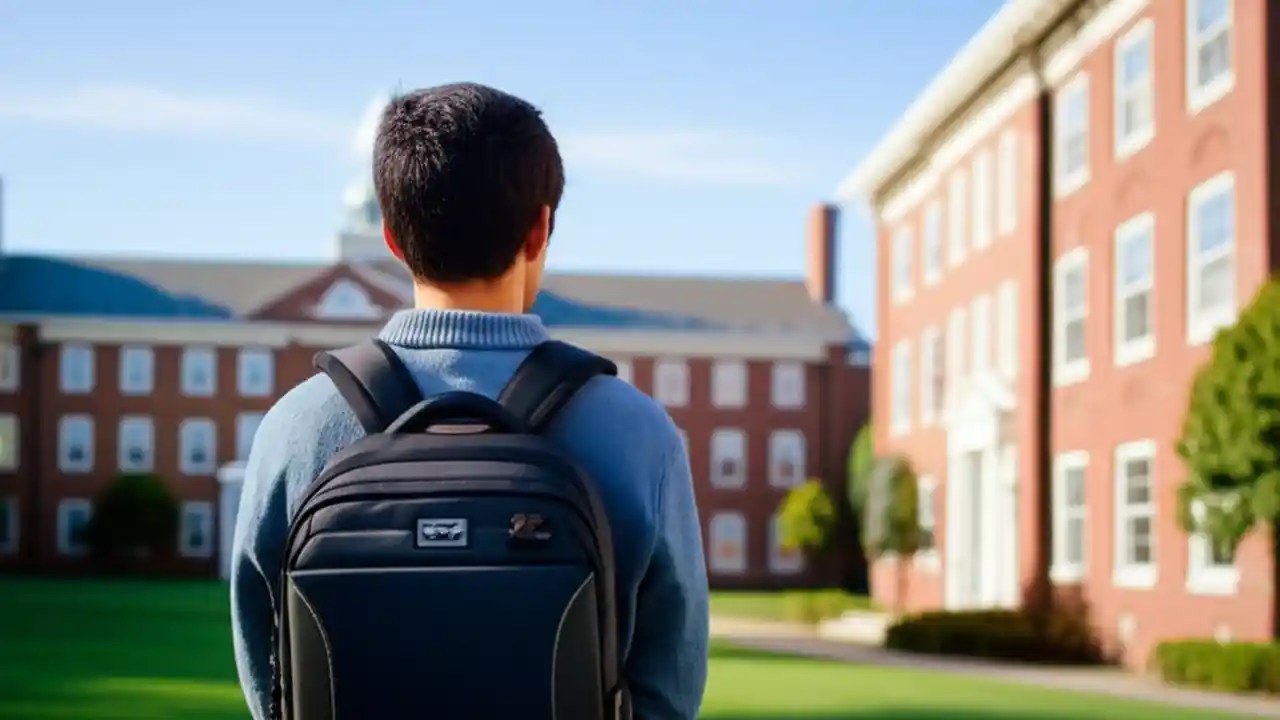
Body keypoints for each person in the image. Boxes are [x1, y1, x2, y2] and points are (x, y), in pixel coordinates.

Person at [230, 82, 709, 719]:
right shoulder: (637, 430)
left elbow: (267, 669)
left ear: (393, 237)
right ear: (541, 229)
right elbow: (670, 678)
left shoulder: (296, 426)